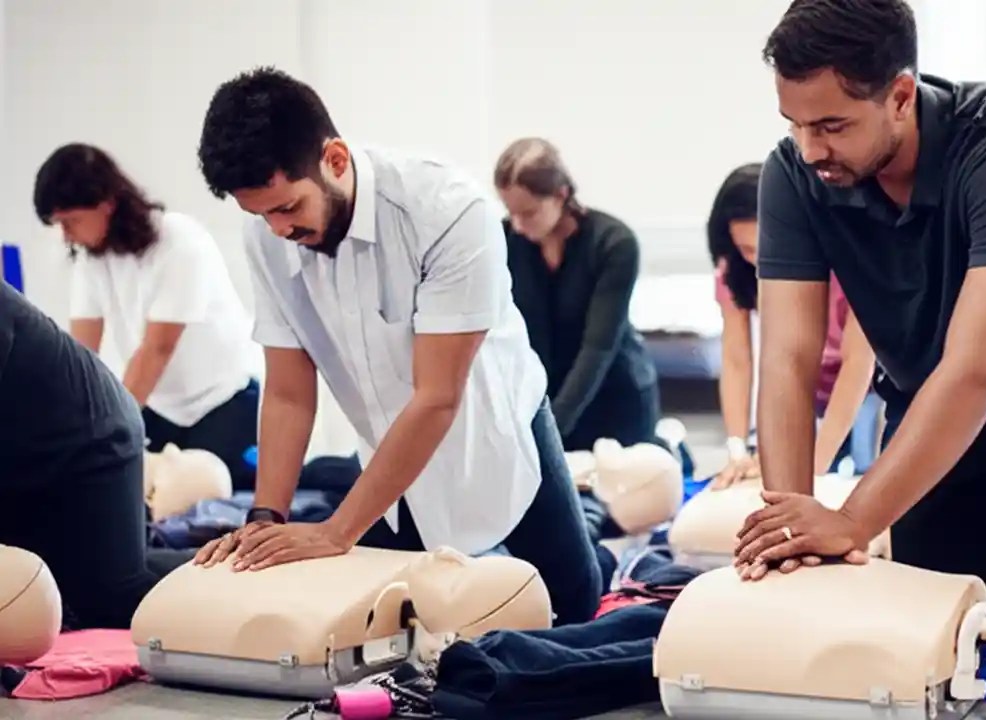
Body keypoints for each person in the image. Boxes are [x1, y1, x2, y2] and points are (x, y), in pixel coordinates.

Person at [732, 0, 986, 611]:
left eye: (832, 126)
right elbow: (786, 358)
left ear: (899, 96)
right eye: (795, 124)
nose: (810, 150)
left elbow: (977, 369)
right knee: (933, 614)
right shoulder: (796, 173)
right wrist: (794, 527)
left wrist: (854, 520)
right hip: (926, 392)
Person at [189, 67, 602, 625]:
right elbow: (288, 392)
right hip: (390, 457)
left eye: (288, 208)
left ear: (334, 160)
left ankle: (595, 528)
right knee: (415, 626)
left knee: (573, 605)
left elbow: (437, 397)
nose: (278, 228)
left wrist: (337, 532)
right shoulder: (267, 236)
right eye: (261, 214)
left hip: (497, 430)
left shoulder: (447, 209)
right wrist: (266, 516)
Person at [34, 143, 261, 492]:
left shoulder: (179, 241)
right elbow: (80, 358)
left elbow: (157, 349)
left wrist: (110, 429)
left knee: (213, 489)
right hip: (162, 407)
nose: (66, 236)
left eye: (71, 221)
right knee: (128, 487)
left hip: (222, 400)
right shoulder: (90, 261)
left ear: (107, 203)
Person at [705, 163, 880, 489]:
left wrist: (815, 463)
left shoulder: (851, 260)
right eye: (747, 251)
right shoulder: (733, 272)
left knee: (864, 471)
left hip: (874, 382)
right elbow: (737, 361)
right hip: (807, 380)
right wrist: (737, 450)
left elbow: (859, 363)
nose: (759, 261)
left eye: (767, 249)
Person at [0, 281, 160, 629]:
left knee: (113, 598)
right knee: (47, 584)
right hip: (19, 456)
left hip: (90, 441)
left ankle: (243, 566)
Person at [495, 137, 660, 451]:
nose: (517, 224)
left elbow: (597, 348)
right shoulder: (505, 240)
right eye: (510, 212)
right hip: (543, 399)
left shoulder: (613, 243)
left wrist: (550, 431)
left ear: (562, 195)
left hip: (612, 399)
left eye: (528, 213)